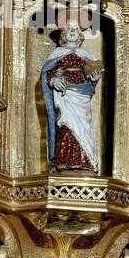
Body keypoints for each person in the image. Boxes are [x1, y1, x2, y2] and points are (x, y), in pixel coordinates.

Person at [40, 21, 102, 173]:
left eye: (75, 29)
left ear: (80, 34)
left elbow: (90, 77)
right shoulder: (57, 53)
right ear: (63, 34)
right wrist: (53, 80)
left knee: (83, 127)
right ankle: (64, 161)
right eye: (69, 29)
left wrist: (94, 80)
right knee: (65, 123)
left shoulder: (85, 54)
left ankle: (84, 161)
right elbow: (47, 72)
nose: (72, 31)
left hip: (81, 96)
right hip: (65, 94)